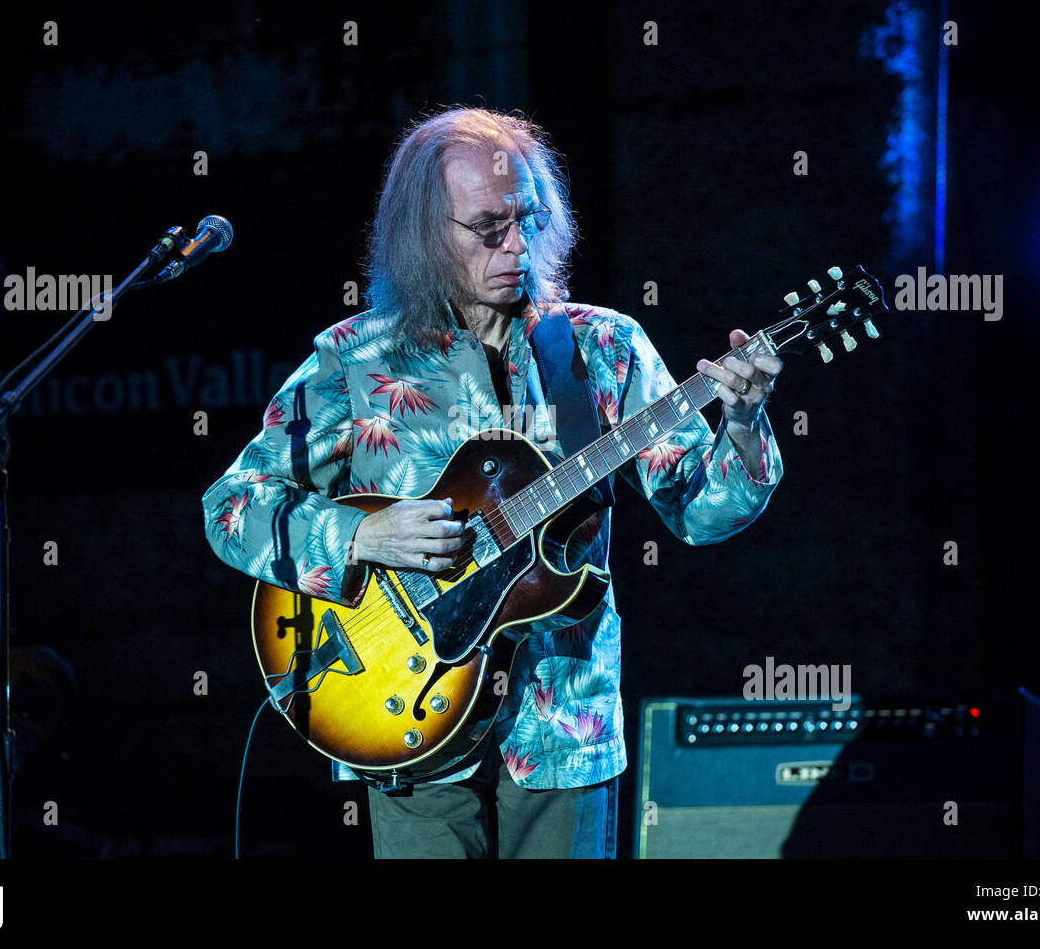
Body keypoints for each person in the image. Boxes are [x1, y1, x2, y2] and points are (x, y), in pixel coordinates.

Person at [202, 107, 783, 858]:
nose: (517, 246)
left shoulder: (602, 346)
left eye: (529, 220)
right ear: (425, 231)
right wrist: (363, 533)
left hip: (560, 724)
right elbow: (233, 506)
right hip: (405, 718)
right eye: (487, 228)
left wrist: (741, 423)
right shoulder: (356, 359)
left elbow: (701, 513)